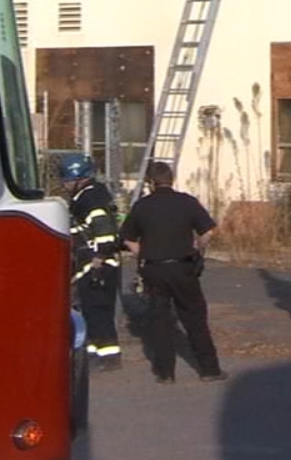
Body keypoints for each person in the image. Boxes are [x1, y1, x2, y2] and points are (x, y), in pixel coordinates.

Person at [119, 161, 226, 384]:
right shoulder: (187, 202)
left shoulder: (142, 206)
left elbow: (127, 238)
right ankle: (209, 369)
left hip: (154, 269)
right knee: (195, 319)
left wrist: (143, 252)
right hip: (183, 267)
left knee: (159, 321)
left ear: (151, 183)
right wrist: (197, 247)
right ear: (171, 179)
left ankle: (165, 373)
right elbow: (208, 231)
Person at [61, 153, 122, 372]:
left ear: (78, 177)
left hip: (97, 265)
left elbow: (102, 228)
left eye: (67, 180)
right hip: (92, 264)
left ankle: (109, 357)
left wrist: (99, 257)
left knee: (98, 311)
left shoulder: (90, 198)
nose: (64, 185)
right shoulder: (88, 196)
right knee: (91, 311)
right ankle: (94, 353)